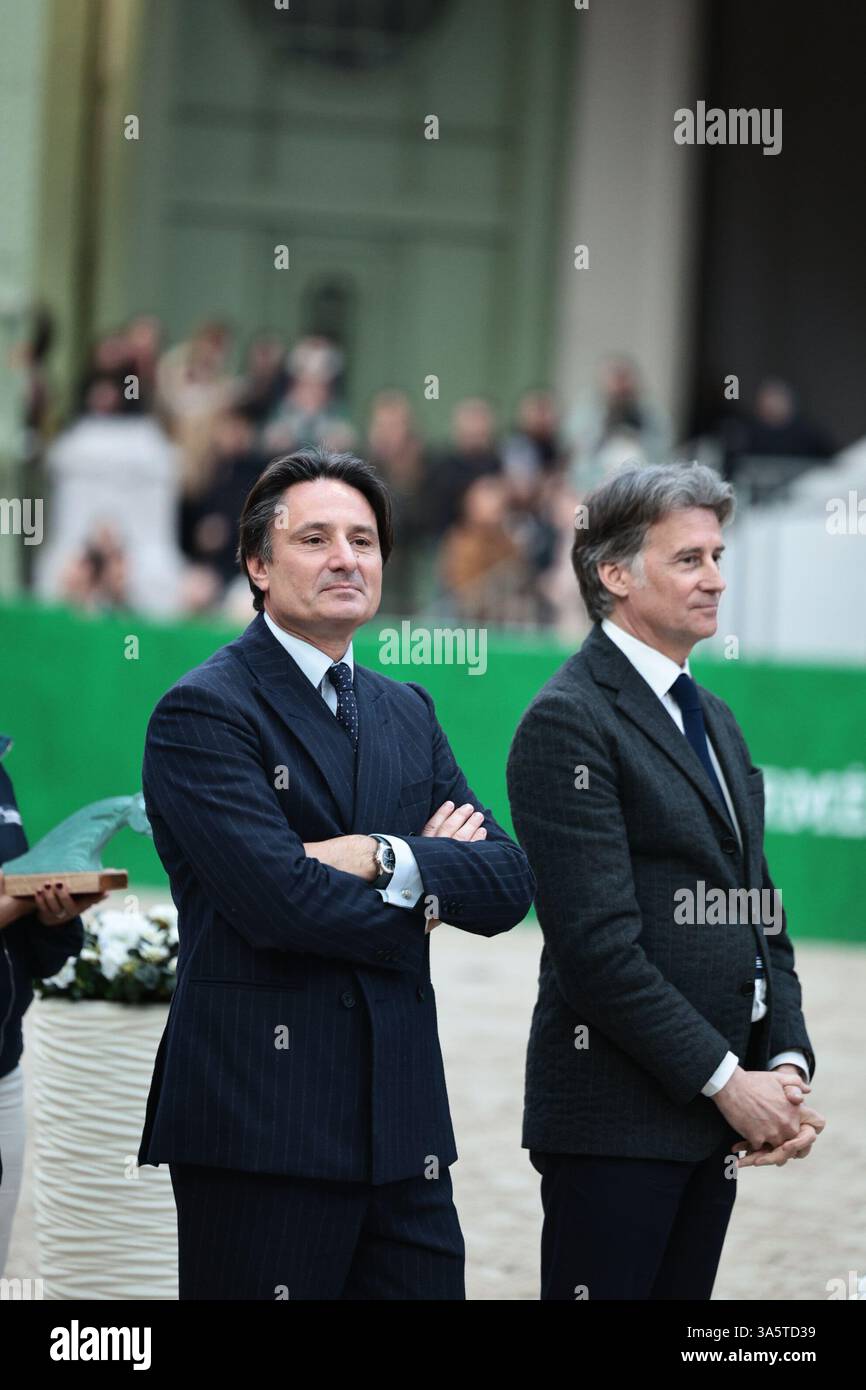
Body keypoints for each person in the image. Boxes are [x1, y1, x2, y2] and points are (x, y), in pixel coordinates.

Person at [137, 446, 535, 1300]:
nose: (346, 557)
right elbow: (280, 905)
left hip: (406, 1135)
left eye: (363, 539)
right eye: (315, 538)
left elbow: (506, 884)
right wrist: (430, 887)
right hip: (259, 1131)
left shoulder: (406, 708)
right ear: (256, 563)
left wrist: (381, 857)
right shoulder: (203, 711)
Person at [507, 462, 824, 1301]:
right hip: (616, 1125)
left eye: (718, 555)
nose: (717, 578)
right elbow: (597, 953)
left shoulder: (713, 717)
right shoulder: (567, 720)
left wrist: (785, 1064)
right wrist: (732, 1084)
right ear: (614, 575)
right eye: (689, 559)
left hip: (712, 1120)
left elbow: (758, 911)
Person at [0, 734, 105, 1270]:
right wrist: (16, 904)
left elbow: (35, 959)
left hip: (4, 1072)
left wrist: (53, 916)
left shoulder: (0, 774)